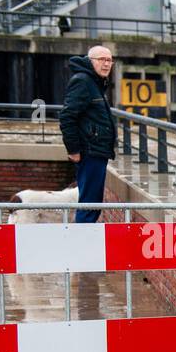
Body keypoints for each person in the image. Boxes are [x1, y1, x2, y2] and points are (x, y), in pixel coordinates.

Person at [58, 46, 115, 223]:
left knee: (93, 202)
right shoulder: (83, 81)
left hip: (97, 151)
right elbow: (67, 116)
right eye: (101, 59)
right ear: (90, 61)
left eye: (109, 60)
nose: (106, 64)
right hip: (90, 151)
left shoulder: (95, 82)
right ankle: (82, 241)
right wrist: (73, 149)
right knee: (89, 203)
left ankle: (84, 239)